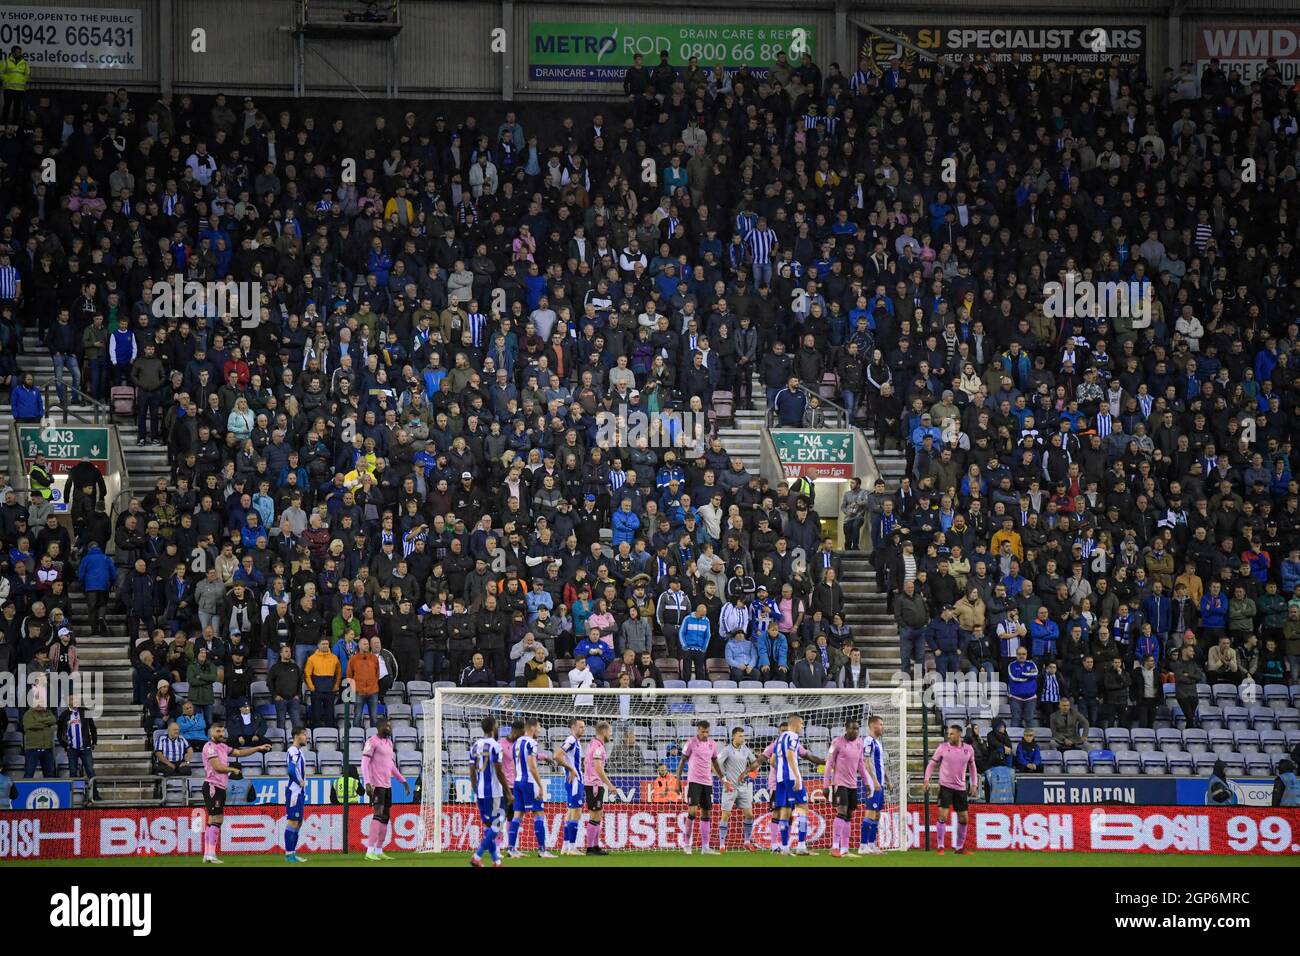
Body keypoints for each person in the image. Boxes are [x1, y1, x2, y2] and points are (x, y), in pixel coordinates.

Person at [201, 721, 272, 863]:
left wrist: (257, 748)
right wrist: (232, 769)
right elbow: (217, 767)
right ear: (211, 732)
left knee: (212, 820)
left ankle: (208, 854)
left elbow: (239, 752)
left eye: (222, 731)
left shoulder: (222, 746)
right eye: (218, 731)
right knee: (217, 819)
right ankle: (210, 854)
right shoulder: (209, 747)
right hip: (213, 786)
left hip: (219, 786)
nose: (221, 734)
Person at [824, 719, 880, 858]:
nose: (854, 731)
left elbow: (861, 764)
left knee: (849, 816)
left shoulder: (860, 743)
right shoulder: (837, 742)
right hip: (840, 783)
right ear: (846, 728)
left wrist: (867, 783)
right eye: (852, 728)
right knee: (841, 812)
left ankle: (844, 849)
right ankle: (834, 847)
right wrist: (826, 785)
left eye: (857, 729)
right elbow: (829, 764)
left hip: (853, 784)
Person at [771, 713, 824, 856]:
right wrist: (797, 777)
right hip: (792, 777)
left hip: (780, 778)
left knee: (785, 810)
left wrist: (782, 771)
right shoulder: (793, 736)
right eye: (801, 724)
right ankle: (801, 846)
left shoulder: (779, 738)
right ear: (795, 723)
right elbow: (789, 754)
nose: (802, 727)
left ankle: (785, 848)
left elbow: (772, 761)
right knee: (802, 808)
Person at [923, 724, 978, 855]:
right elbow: (932, 764)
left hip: (961, 788)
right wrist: (926, 780)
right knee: (942, 816)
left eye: (952, 734)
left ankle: (959, 848)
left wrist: (974, 784)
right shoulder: (943, 748)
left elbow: (973, 767)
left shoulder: (968, 749)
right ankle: (941, 847)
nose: (949, 736)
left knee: (964, 818)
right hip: (945, 786)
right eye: (948, 734)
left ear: (959, 734)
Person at [361, 716, 409, 862]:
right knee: (378, 814)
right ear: (379, 727)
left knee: (386, 817)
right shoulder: (372, 741)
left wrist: (403, 781)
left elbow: (391, 766)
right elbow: (364, 763)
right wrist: (368, 782)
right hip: (377, 785)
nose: (389, 728)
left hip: (387, 785)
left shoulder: (389, 742)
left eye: (390, 726)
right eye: (386, 726)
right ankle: (369, 851)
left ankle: (379, 850)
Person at [508, 718, 556, 859]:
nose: (540, 730)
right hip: (529, 782)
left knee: (518, 815)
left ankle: (511, 849)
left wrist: (518, 781)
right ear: (533, 728)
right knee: (539, 814)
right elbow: (532, 766)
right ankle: (542, 851)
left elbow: (514, 765)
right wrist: (540, 786)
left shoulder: (516, 743)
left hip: (517, 782)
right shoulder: (532, 743)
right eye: (539, 727)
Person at [468, 715, 510, 868]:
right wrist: (508, 792)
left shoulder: (475, 745)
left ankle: (496, 862)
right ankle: (477, 855)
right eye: (497, 725)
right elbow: (499, 772)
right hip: (495, 792)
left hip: (480, 792)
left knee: (489, 828)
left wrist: (476, 790)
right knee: (497, 824)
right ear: (493, 727)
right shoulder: (496, 746)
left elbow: (472, 772)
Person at [680, 719, 726, 855]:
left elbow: (715, 763)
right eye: (703, 731)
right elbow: (682, 761)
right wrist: (677, 780)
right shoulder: (691, 743)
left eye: (707, 731)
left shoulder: (712, 744)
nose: (705, 734)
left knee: (706, 812)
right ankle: (686, 843)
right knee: (692, 812)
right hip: (694, 781)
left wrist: (723, 779)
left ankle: (705, 847)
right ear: (698, 730)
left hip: (708, 782)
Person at [716, 726, 759, 852]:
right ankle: (722, 844)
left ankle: (746, 841)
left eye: (743, 736)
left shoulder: (745, 749)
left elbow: (755, 763)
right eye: (740, 736)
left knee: (749, 815)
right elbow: (717, 764)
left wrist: (750, 772)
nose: (743, 738)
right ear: (734, 736)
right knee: (726, 814)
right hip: (730, 787)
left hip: (742, 787)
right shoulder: (726, 750)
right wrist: (724, 779)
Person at [581, 719, 616, 856]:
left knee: (598, 814)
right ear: (604, 731)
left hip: (593, 783)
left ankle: (595, 846)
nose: (610, 735)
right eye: (610, 732)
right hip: (594, 784)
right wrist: (609, 785)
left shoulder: (593, 744)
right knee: (594, 814)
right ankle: (590, 848)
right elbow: (597, 767)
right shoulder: (597, 746)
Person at [857, 714, 890, 855]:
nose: (883, 727)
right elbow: (866, 761)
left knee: (876, 814)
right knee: (870, 813)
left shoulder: (877, 742)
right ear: (874, 725)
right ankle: (862, 846)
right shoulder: (868, 741)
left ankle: (871, 844)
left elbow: (880, 764)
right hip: (872, 783)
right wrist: (875, 781)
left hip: (880, 783)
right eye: (881, 724)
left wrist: (887, 780)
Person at [554, 717, 586, 855]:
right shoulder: (571, 740)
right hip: (574, 782)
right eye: (580, 727)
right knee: (576, 812)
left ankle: (566, 846)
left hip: (573, 781)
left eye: (584, 727)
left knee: (569, 813)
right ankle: (572, 847)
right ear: (573, 727)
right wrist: (571, 769)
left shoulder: (576, 742)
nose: (583, 729)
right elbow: (557, 755)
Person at [283, 726, 310, 863]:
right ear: (297, 736)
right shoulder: (293, 750)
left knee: (298, 822)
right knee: (293, 821)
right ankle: (288, 854)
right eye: (304, 734)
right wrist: (299, 781)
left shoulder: (298, 751)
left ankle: (292, 852)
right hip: (294, 791)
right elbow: (291, 769)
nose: (306, 737)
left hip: (299, 792)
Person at [58, 693, 97, 781]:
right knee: (73, 773)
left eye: (76, 699)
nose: (75, 701)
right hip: (72, 749)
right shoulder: (64, 715)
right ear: (68, 702)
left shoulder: (86, 711)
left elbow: (93, 727)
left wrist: (94, 741)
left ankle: (95, 794)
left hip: (85, 747)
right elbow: (60, 733)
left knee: (90, 772)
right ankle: (73, 794)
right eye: (72, 699)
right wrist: (65, 745)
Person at [678, 602, 711, 681]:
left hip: (700, 650)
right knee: (687, 671)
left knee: (700, 672)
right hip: (688, 649)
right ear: (697, 611)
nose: (702, 616)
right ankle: (686, 690)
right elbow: (681, 632)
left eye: (704, 614)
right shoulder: (687, 618)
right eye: (701, 615)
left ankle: (699, 689)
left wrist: (704, 648)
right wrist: (684, 645)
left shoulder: (706, 620)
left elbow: (708, 635)